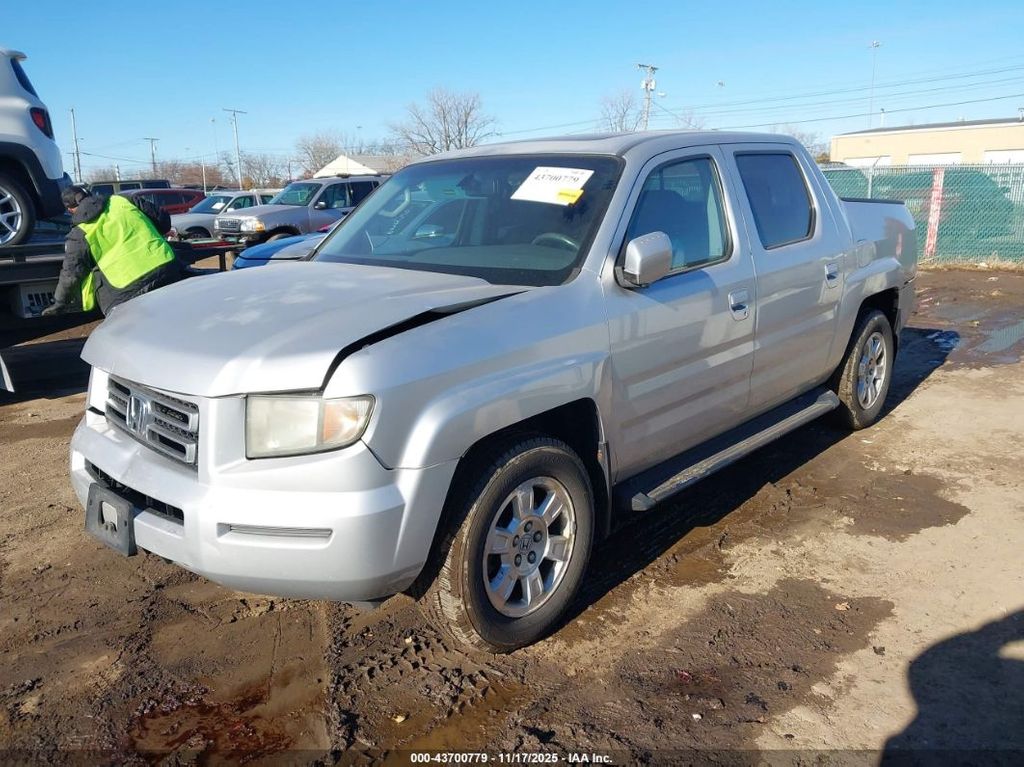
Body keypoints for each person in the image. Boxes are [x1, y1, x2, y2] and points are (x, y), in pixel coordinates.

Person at [42, 185, 181, 316]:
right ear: (90, 195)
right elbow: (163, 221)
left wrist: (60, 302)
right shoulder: (123, 200)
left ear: (70, 210)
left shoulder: (79, 232)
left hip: (127, 287)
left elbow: (72, 272)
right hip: (165, 265)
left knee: (121, 323)